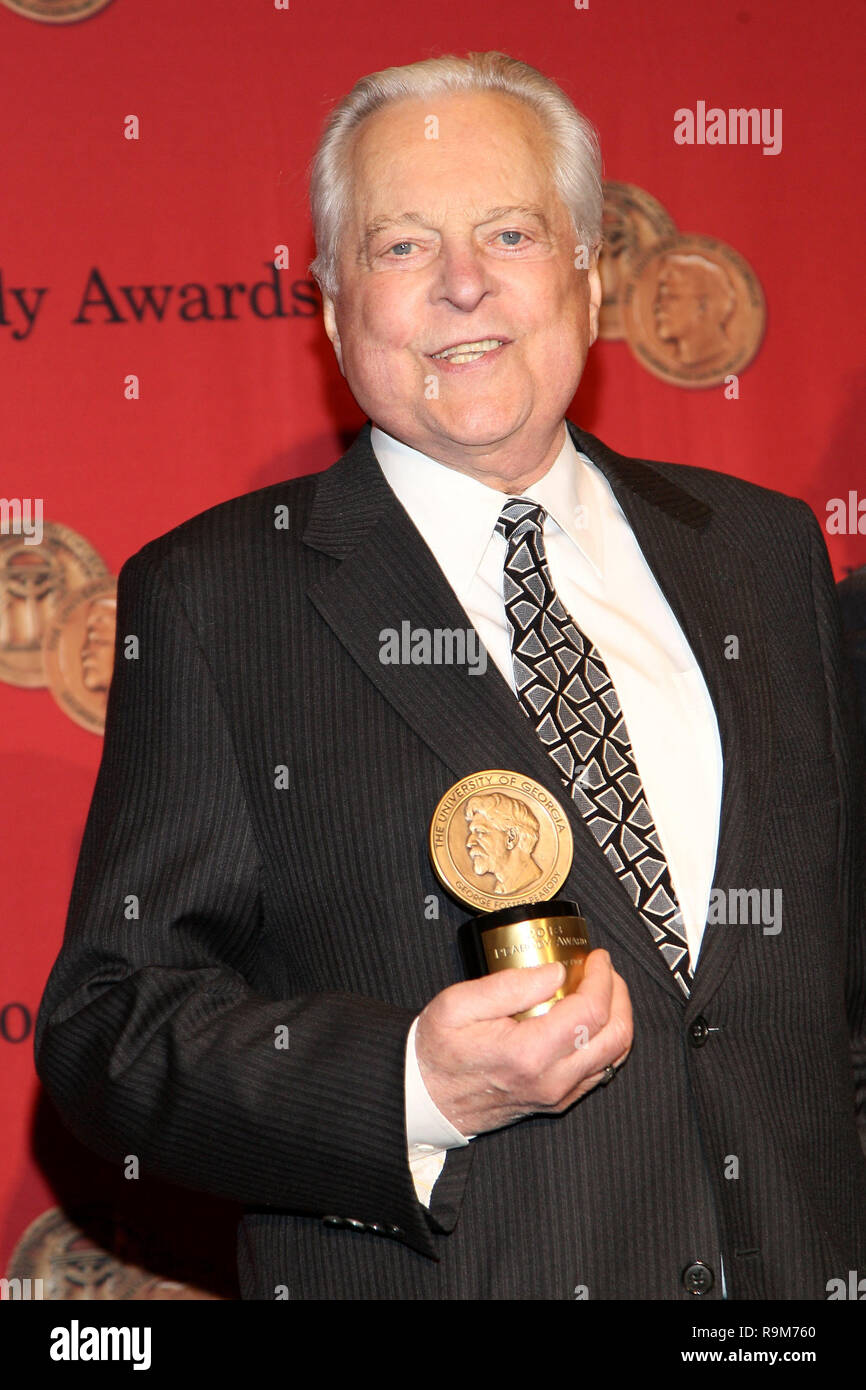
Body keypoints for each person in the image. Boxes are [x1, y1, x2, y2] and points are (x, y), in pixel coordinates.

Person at [35, 51, 865, 1301]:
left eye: (510, 231)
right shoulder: (216, 598)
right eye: (401, 247)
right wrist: (410, 1085)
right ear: (329, 311)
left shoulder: (763, 553)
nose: (464, 282)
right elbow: (107, 1030)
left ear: (588, 275)